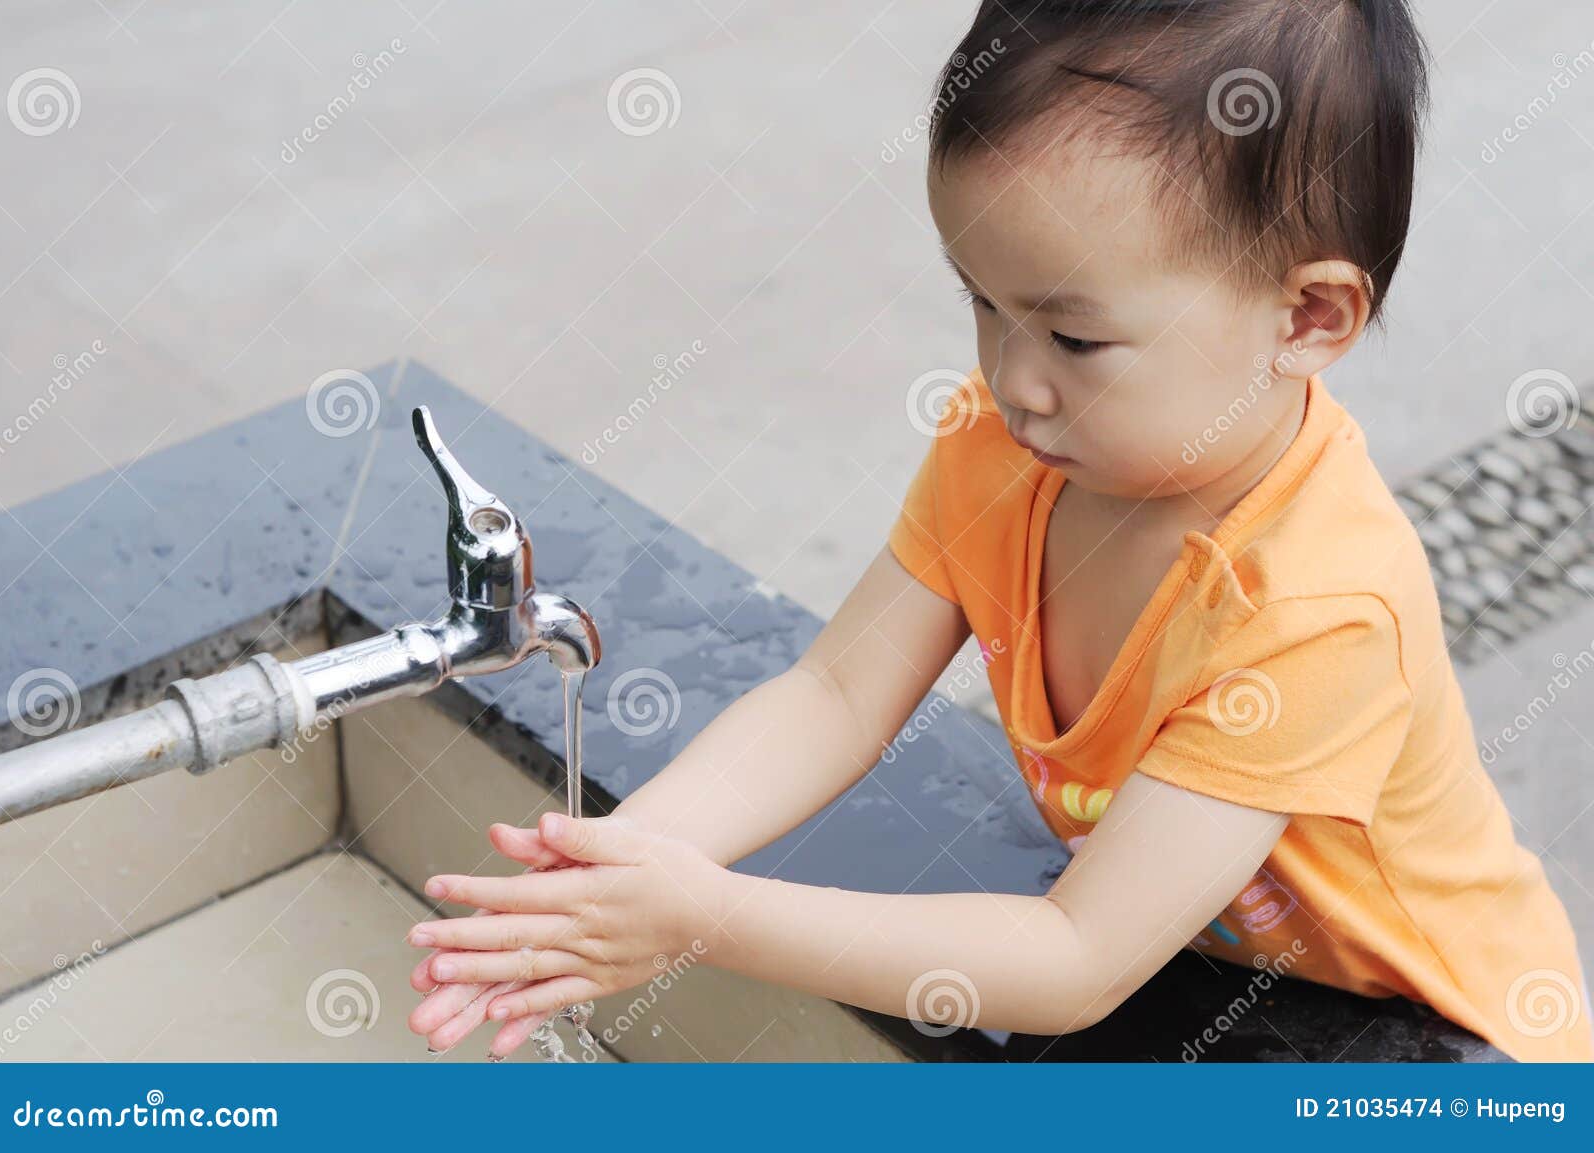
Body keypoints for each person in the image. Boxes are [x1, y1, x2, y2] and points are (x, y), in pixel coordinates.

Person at [404, 0, 1591, 1062]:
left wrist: (703, 917)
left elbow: (1076, 959)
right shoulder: (1003, 449)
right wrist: (623, 869)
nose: (1013, 379)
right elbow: (834, 694)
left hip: (1432, 1047)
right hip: (1211, 969)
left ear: (1309, 315)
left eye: (1073, 338)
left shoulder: (1315, 609)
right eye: (982, 302)